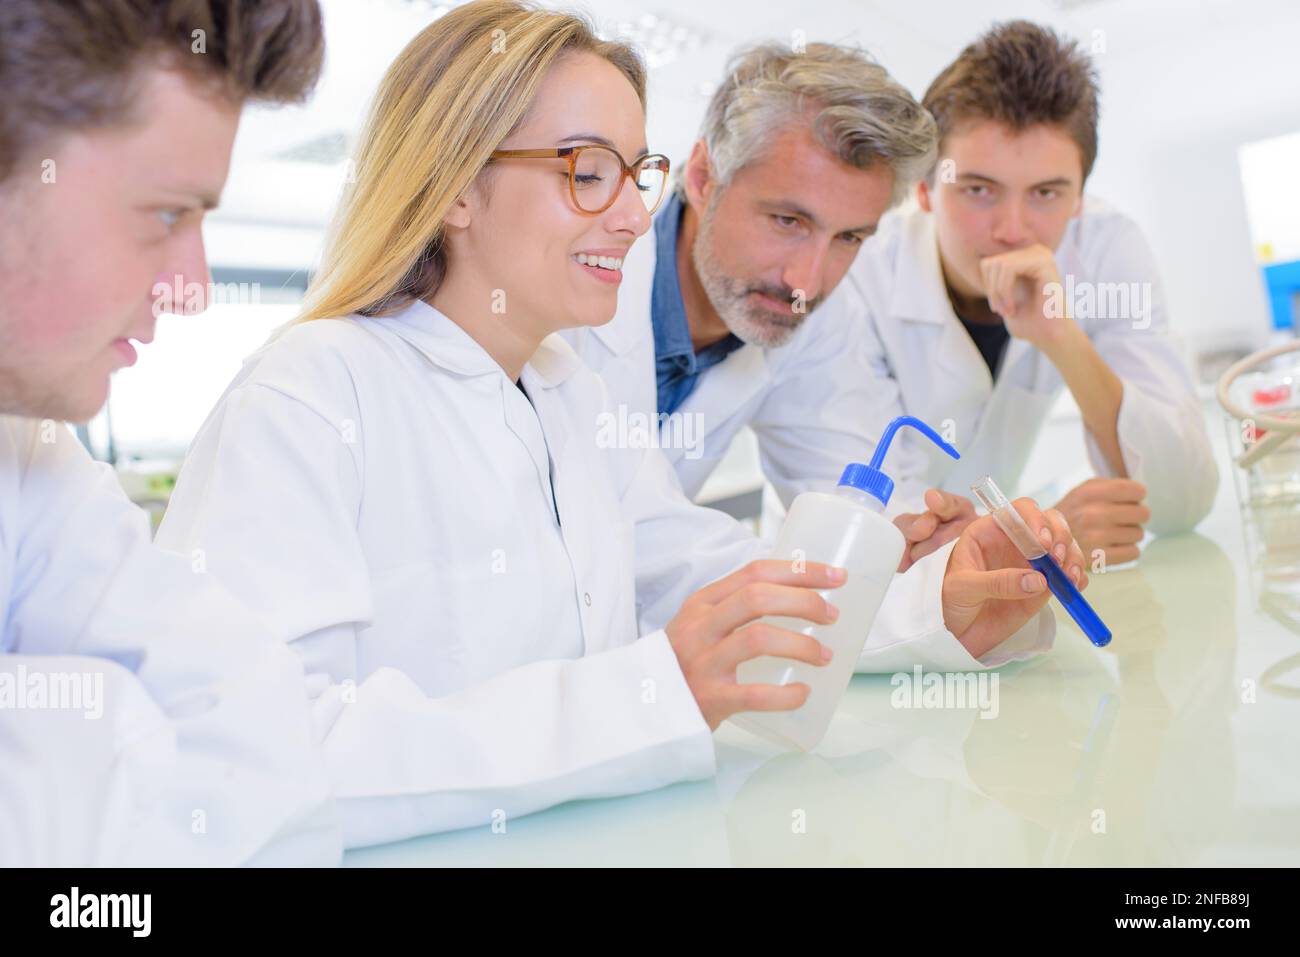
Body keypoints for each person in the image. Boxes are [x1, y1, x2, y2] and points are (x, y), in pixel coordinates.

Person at [156, 0, 1089, 850]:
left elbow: (703, 580)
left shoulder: (563, 394)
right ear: (455, 185)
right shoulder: (308, 399)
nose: (636, 218)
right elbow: (253, 759)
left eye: (633, 175)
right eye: (587, 173)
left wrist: (939, 601)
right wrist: (645, 696)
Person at [0, 0, 340, 865]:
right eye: (165, 215)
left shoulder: (33, 458)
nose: (194, 286)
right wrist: (106, 723)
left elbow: (256, 730)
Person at [562, 41, 982, 574]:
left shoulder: (818, 320)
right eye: (788, 221)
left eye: (850, 237)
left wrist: (919, 547)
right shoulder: (570, 283)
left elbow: (854, 485)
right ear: (702, 178)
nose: (805, 281)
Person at [844, 21, 1217, 568]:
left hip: (992, 617)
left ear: (1080, 198)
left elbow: (1181, 502)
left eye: (1045, 193)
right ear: (924, 188)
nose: (1013, 230)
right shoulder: (862, 270)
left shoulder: (1107, 249)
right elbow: (863, 533)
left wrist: (1063, 339)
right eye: (977, 189)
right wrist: (1034, 537)